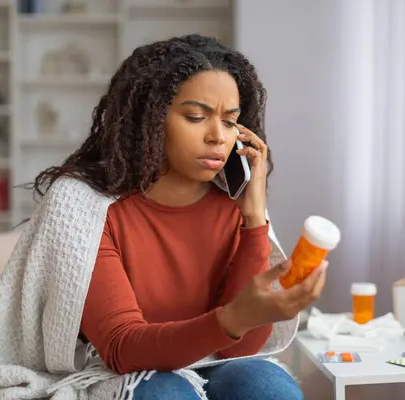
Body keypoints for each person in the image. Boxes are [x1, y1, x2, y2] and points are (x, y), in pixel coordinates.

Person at [25, 34, 329, 399]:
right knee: (164, 392)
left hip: (212, 361)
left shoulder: (234, 204)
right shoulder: (83, 206)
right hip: (116, 369)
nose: (218, 136)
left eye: (230, 122)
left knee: (266, 385)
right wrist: (233, 318)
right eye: (196, 117)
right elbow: (123, 348)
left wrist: (253, 221)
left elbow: (237, 350)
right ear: (148, 119)